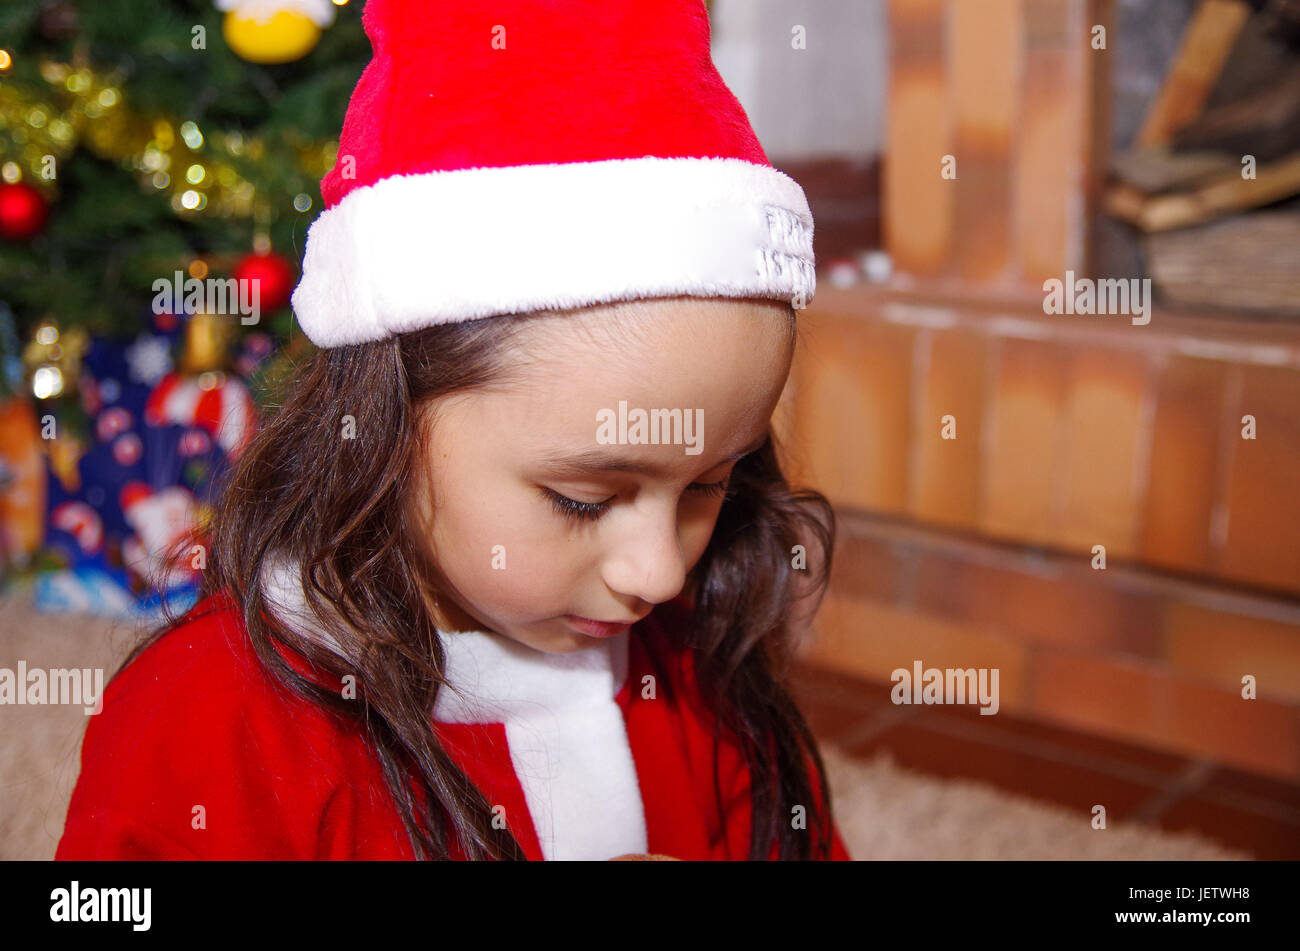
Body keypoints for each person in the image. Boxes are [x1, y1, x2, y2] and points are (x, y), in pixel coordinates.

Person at [56, 0, 850, 861]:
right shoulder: (208, 721)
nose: (659, 570)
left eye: (709, 483)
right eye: (583, 499)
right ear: (383, 430)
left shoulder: (698, 676)